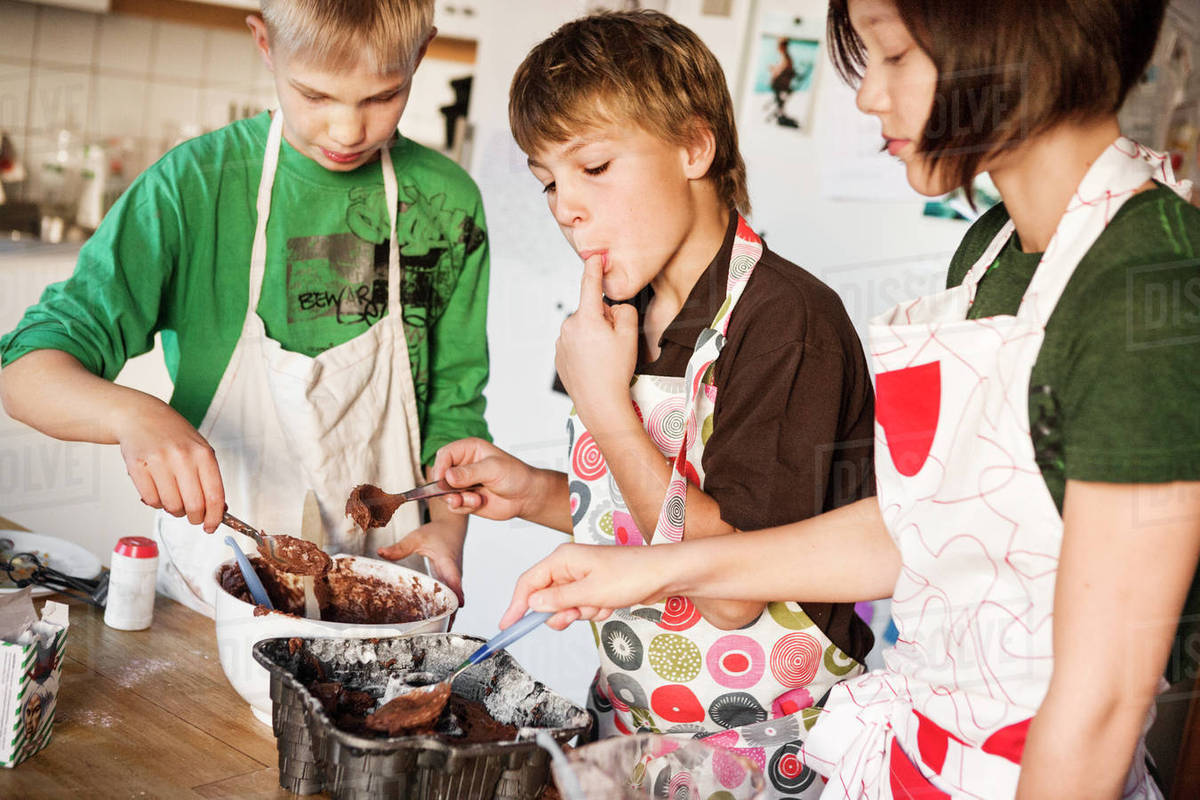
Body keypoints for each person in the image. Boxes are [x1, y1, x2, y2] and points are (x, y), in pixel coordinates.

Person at [492, 0, 1200, 798]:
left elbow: (1102, 700)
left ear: (1007, 40)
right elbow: (914, 531)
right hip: (907, 757)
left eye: (893, 56)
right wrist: (644, 572)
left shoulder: (1151, 280)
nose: (866, 95)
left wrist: (667, 555)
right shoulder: (991, 250)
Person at [433, 10, 875, 798]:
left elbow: (734, 591)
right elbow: (633, 514)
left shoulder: (787, 322)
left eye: (594, 166)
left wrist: (604, 405)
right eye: (548, 182)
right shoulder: (614, 314)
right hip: (636, 730)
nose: (566, 205)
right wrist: (533, 491)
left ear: (694, 146)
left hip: (769, 750)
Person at [0, 0, 490, 616]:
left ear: (420, 57)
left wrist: (448, 524)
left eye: (382, 97)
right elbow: (25, 376)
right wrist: (132, 415)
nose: (346, 131)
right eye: (314, 96)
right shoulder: (196, 185)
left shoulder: (445, 204)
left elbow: (453, 403)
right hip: (213, 592)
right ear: (264, 43)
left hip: (387, 577)